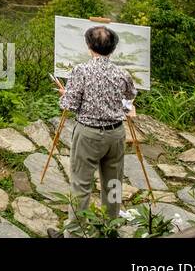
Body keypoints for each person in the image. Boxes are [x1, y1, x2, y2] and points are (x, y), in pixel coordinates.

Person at [56, 25, 136, 236]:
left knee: (81, 184)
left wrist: (65, 93)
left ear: (89, 45)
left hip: (88, 134)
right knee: (113, 183)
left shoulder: (81, 71)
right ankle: (109, 230)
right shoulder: (123, 73)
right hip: (116, 133)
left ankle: (74, 232)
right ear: (113, 47)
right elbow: (129, 96)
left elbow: (69, 105)